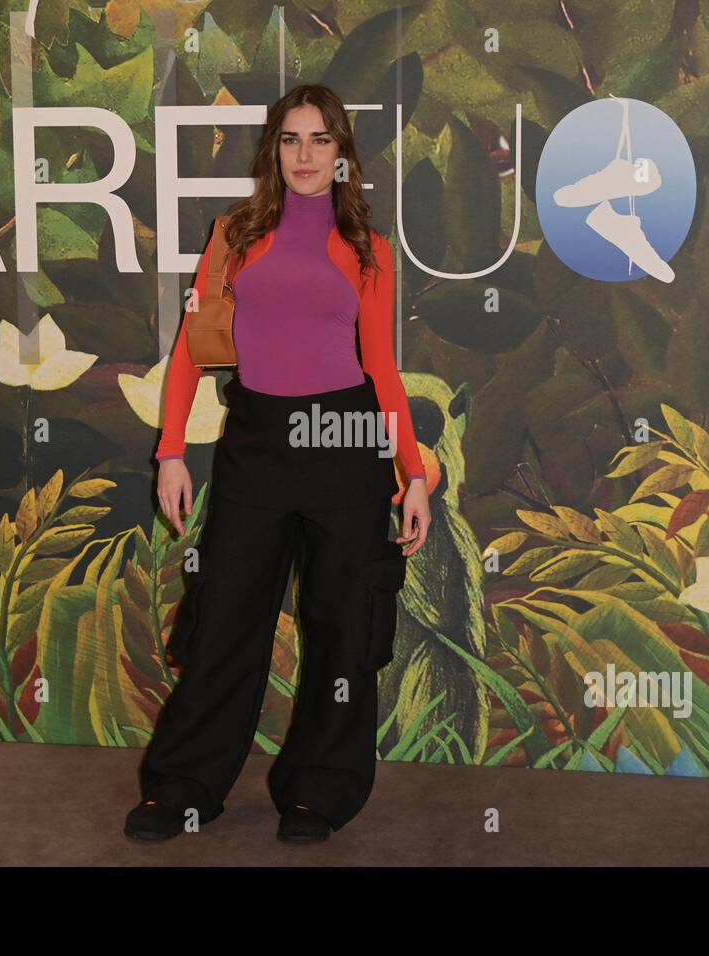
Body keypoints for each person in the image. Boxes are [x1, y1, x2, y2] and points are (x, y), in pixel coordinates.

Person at [125, 85, 430, 845]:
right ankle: (184, 787)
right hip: (257, 444)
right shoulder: (233, 235)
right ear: (274, 151)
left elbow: (383, 372)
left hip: (346, 445)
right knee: (225, 617)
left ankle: (316, 795)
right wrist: (171, 452)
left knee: (342, 627)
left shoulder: (369, 252)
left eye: (320, 140)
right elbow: (191, 356)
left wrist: (412, 473)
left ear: (342, 154)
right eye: (291, 140)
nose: (304, 155)